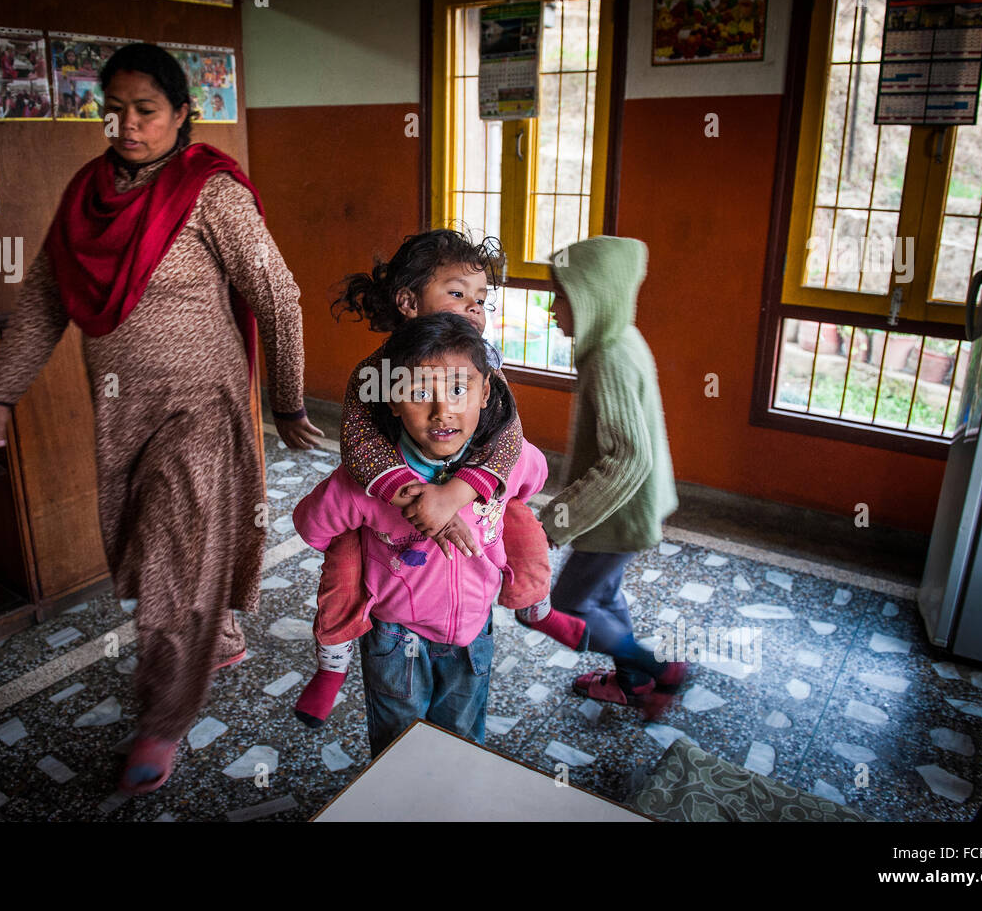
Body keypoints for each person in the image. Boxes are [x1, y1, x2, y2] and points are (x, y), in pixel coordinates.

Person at [0, 42, 320, 794]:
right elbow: (43, 299)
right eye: (116, 108)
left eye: (147, 109)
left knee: (167, 555)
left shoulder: (209, 192)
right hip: (122, 412)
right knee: (161, 542)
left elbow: (278, 296)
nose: (128, 124)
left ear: (182, 114)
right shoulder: (86, 194)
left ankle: (161, 721)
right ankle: (218, 632)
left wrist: (287, 402)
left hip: (201, 405)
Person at [292, 229, 587, 728]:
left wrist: (456, 493)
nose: (473, 308)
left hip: (472, 535)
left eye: (480, 299)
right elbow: (359, 446)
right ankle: (333, 658)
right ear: (409, 301)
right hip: (384, 509)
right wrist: (412, 498)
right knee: (344, 551)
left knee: (520, 521)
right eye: (457, 293)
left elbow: (509, 437)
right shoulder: (376, 371)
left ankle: (535, 602)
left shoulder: (484, 361)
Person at [294, 313, 548, 755]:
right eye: (418, 393)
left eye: (457, 389)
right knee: (399, 744)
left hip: (473, 631)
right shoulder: (368, 481)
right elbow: (312, 526)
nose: (442, 410)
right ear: (392, 401)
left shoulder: (509, 458)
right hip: (396, 636)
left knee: (462, 740)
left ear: (486, 393)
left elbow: (533, 480)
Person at [538, 236, 689, 718]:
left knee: (564, 603)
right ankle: (635, 683)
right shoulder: (620, 337)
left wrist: (556, 522)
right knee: (602, 593)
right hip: (628, 509)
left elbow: (627, 458)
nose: (552, 307)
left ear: (592, 297)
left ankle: (657, 666)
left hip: (617, 513)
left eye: (560, 295)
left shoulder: (607, 357)